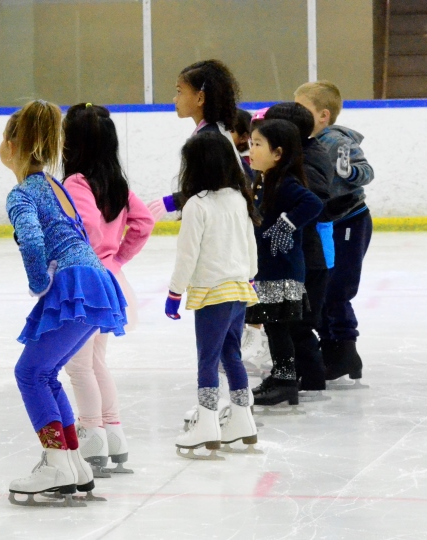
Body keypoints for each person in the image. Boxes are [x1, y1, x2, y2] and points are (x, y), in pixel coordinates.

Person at [1, 100, 127, 507]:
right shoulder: (56, 185)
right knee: (47, 373)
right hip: (96, 282)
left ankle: (57, 462)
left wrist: (39, 284)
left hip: (72, 283)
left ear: (13, 144)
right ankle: (74, 462)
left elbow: (34, 240)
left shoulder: (22, 193)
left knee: (29, 373)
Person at [61, 103, 154, 476]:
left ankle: (93, 433)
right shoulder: (116, 183)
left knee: (79, 365)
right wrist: (118, 259)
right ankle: (113, 432)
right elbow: (143, 222)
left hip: (87, 282)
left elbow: (89, 228)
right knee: (95, 360)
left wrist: (100, 256)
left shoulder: (76, 183)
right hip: (110, 280)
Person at [165, 132, 261, 459]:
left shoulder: (198, 204)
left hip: (212, 292)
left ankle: (207, 424)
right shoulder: (238, 197)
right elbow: (251, 245)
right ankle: (243, 420)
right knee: (231, 354)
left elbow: (187, 255)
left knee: (208, 358)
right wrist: (250, 278)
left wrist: (175, 292)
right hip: (239, 289)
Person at [294, 81, 375, 385]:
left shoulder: (337, 141)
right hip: (328, 223)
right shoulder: (310, 141)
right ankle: (331, 347)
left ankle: (344, 351)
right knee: (324, 287)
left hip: (350, 222)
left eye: (302, 109)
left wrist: (348, 171)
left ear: (324, 115)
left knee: (337, 288)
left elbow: (366, 172)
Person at [246, 120, 323, 408]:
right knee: (274, 328)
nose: (250, 150)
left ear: (278, 153)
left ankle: (286, 382)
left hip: (282, 272)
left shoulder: (286, 183)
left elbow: (313, 203)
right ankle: (281, 376)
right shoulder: (266, 180)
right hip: (270, 270)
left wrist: (286, 224)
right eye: (250, 143)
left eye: (257, 144)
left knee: (278, 330)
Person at [146, 60, 251, 220]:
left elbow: (212, 186)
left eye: (180, 91)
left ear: (200, 98)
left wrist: (172, 201)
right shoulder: (216, 131)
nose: (175, 99)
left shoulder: (210, 138)